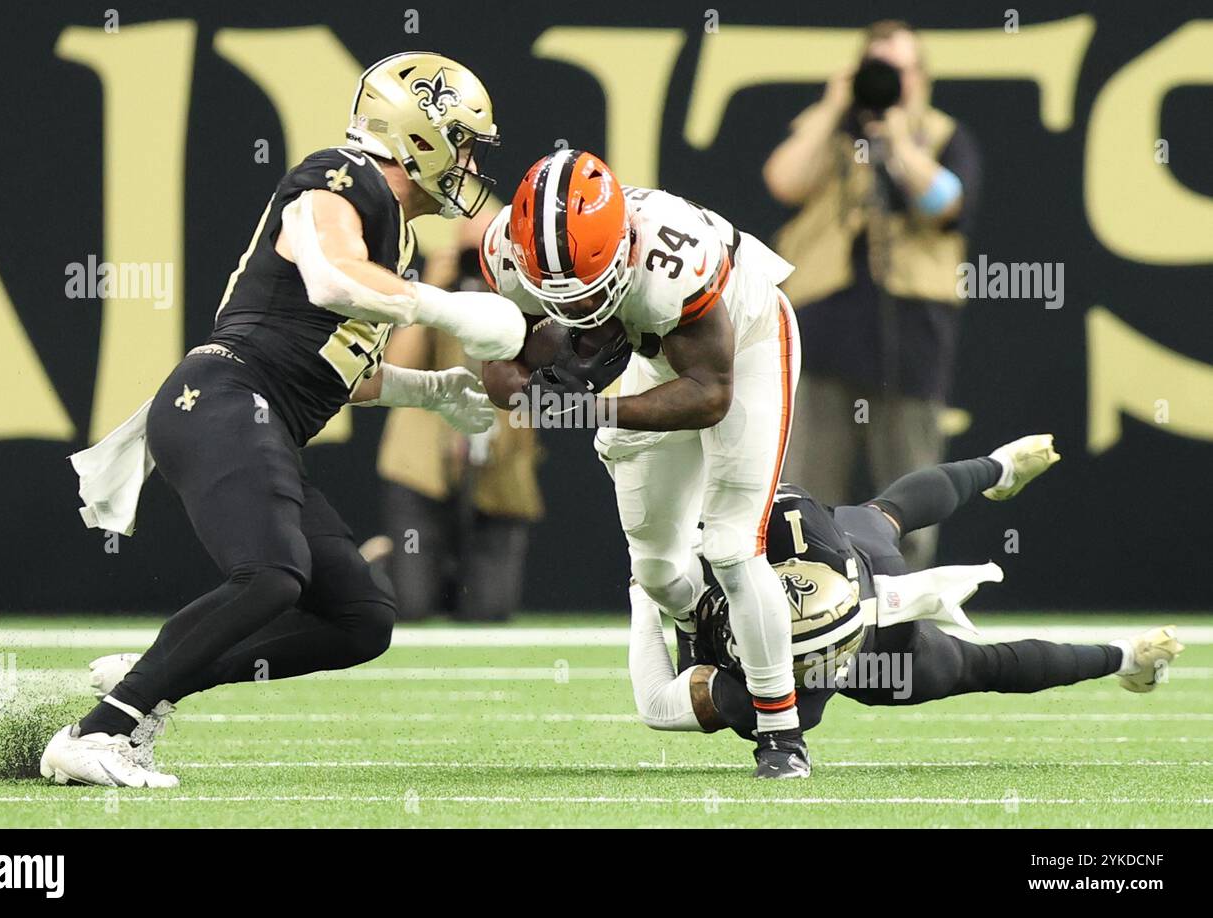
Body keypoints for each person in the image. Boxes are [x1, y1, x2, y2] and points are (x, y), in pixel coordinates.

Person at [41, 52, 526, 788]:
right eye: (460, 141)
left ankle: (155, 678)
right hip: (222, 397)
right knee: (270, 576)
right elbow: (329, 273)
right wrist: (446, 307)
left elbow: (338, 371)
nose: (465, 162)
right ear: (417, 136)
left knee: (362, 616)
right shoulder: (340, 176)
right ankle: (99, 730)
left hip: (249, 410)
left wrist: (431, 390)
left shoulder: (391, 235)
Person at [481, 150, 809, 778]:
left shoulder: (674, 257)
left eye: (589, 294)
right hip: (652, 355)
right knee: (656, 570)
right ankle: (704, 624)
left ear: (624, 246)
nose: (577, 315)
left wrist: (592, 412)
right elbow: (498, 365)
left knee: (735, 548)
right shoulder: (507, 249)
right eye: (559, 303)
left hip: (746, 344)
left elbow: (711, 391)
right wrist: (524, 389)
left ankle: (780, 730)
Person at [628, 434, 1185, 742]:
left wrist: (649, 596)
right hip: (864, 604)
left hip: (868, 620)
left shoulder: (764, 699)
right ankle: (998, 469)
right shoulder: (803, 545)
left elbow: (659, 699)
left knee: (980, 666)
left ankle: (1125, 657)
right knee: (882, 516)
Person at [763, 20, 982, 567]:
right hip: (823, 334)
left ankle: (908, 620)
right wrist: (833, 108)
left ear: (922, 78)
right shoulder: (827, 129)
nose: (886, 82)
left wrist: (899, 141)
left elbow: (946, 205)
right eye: (875, 69)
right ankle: (810, 603)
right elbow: (783, 180)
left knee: (910, 491)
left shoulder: (943, 136)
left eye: (898, 70)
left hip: (910, 338)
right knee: (806, 494)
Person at [374, 223, 544, 621]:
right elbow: (395, 366)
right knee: (411, 606)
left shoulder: (526, 301)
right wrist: (428, 296)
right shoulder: (436, 300)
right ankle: (385, 563)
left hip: (499, 473)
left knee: (488, 612)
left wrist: (519, 294)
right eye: (471, 255)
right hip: (421, 469)